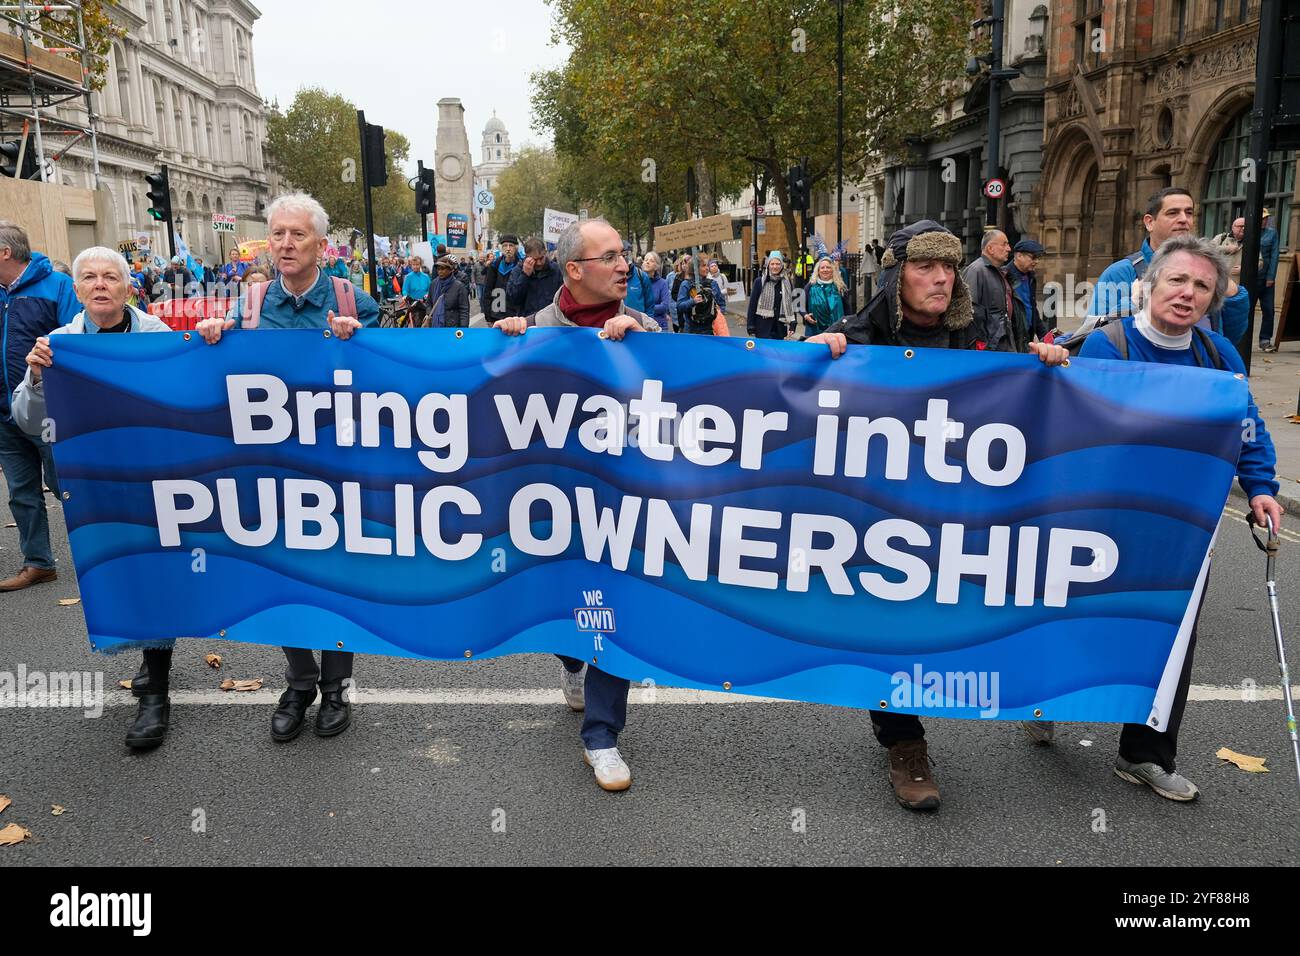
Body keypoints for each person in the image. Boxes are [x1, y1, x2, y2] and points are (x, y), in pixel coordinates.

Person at [805, 220, 1068, 811]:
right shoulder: (860, 336)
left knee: (997, 603)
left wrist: (1045, 365)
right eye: (926, 266)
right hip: (885, 521)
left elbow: (1023, 398)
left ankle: (1038, 695)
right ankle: (905, 743)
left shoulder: (984, 330)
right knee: (891, 620)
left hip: (966, 509)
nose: (942, 279)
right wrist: (811, 358)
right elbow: (792, 405)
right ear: (898, 276)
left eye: (949, 267)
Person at [1073, 234, 1282, 800]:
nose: (1187, 294)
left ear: (1212, 300)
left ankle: (1144, 754)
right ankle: (1050, 702)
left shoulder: (1220, 358)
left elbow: (1248, 427)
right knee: (1082, 620)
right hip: (1102, 523)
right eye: (1178, 280)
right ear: (1149, 286)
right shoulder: (1107, 348)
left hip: (1183, 530)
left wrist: (1261, 488)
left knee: (1169, 636)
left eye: (1202, 287)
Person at [195, 192, 379, 743]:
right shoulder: (248, 305)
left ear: (321, 244)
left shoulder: (354, 299)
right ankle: (299, 683)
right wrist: (212, 336)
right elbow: (224, 376)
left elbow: (390, 385)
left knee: (337, 574)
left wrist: (359, 342)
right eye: (277, 234)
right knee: (283, 574)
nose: (285, 244)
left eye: (297, 234)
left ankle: (336, 687)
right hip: (272, 471)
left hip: (338, 467)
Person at [494, 218, 658, 792]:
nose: (624, 265)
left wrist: (644, 344)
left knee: (615, 606)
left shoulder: (644, 327)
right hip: (552, 502)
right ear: (575, 270)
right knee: (563, 601)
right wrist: (505, 339)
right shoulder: (535, 330)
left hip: (620, 504)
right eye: (609, 256)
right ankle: (571, 664)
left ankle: (602, 735)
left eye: (625, 254)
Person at [14, 247, 175, 748]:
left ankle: (157, 690)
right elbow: (29, 420)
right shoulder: (58, 345)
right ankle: (147, 661)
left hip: (153, 476)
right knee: (114, 569)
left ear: (129, 286)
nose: (101, 284)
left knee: (151, 569)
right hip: (90, 482)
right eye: (90, 277)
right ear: (77, 290)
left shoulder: (156, 336)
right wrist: (38, 378)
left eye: (111, 276)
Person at [0, 221, 80, 591]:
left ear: (5, 253)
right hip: (4, 411)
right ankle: (38, 563)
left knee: (67, 485)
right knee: (21, 491)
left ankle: (100, 557)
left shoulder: (58, 286)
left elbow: (75, 341)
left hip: (48, 411)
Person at [1087, 187, 1248, 337]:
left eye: (1189, 212)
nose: (1184, 219)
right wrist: (1134, 304)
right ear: (1150, 222)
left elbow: (1229, 337)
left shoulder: (1208, 271)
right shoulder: (1120, 273)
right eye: (1173, 213)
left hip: (1201, 365)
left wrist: (1235, 297)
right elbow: (1095, 336)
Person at [963, 229, 1015, 351]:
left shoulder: (997, 271)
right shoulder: (976, 271)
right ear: (990, 248)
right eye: (1004, 244)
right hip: (988, 348)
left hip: (1001, 344)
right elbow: (969, 314)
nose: (1009, 249)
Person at [1002, 238, 1048, 353]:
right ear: (1018, 256)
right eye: (1033, 257)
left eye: (1038, 258)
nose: (1036, 261)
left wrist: (1045, 336)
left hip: (1027, 336)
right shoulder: (1004, 276)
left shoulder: (1031, 277)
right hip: (1011, 339)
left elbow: (1032, 307)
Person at [746, 251, 798, 339]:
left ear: (782, 265)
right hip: (762, 327)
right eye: (772, 264)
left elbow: (792, 304)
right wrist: (751, 326)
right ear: (768, 265)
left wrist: (793, 324)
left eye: (778, 264)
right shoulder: (759, 282)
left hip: (780, 328)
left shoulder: (787, 282)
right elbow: (752, 305)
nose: (775, 266)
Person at [506, 238, 563, 317]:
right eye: (535, 259)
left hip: (550, 319)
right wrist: (525, 275)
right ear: (526, 256)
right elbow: (513, 299)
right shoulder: (517, 271)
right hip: (527, 319)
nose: (539, 263)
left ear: (545, 253)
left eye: (541, 258)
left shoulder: (555, 269)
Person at [676, 254, 727, 335]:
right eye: (703, 266)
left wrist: (718, 313)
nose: (707, 268)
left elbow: (722, 304)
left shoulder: (713, 284)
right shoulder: (686, 284)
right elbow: (679, 306)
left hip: (710, 330)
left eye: (707, 265)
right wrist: (693, 301)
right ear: (695, 268)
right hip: (691, 330)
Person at [802, 255, 846, 339]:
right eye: (822, 268)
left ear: (832, 270)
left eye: (828, 267)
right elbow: (800, 304)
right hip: (814, 331)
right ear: (818, 271)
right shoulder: (810, 286)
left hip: (836, 330)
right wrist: (805, 315)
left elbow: (848, 308)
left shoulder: (840, 287)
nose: (825, 270)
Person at [483, 234, 523, 321]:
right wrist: (488, 317)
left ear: (516, 248)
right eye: (505, 246)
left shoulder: (522, 265)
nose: (508, 249)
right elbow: (487, 291)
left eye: (511, 245)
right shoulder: (494, 265)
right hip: (497, 314)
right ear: (501, 248)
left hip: (516, 315)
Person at [423, 256, 470, 328]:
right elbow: (429, 302)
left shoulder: (459, 287)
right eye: (438, 269)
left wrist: (463, 328)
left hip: (452, 326)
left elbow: (464, 310)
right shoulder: (434, 283)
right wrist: (430, 313)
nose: (440, 271)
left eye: (443, 269)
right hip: (435, 325)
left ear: (450, 270)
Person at [1257, 209, 1280, 351]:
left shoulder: (1272, 234)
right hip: (1250, 279)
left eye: (1266, 218)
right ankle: (1241, 339)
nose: (1264, 221)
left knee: (1269, 311)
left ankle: (1265, 340)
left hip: (1266, 279)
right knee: (1246, 311)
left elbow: (1274, 256)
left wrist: (1271, 277)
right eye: (1262, 218)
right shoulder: (1247, 232)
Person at [621, 241, 657, 316]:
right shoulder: (613, 276)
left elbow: (650, 305)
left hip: (639, 324)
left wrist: (647, 324)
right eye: (622, 255)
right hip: (618, 323)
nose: (625, 258)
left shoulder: (642, 276)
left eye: (627, 255)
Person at [640, 251, 674, 331]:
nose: (647, 262)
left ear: (656, 266)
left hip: (659, 325)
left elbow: (664, 306)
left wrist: (646, 308)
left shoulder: (662, 283)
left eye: (651, 261)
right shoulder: (637, 282)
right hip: (640, 324)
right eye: (646, 260)